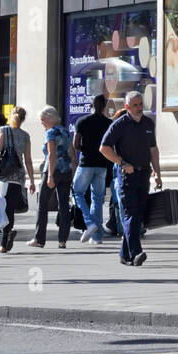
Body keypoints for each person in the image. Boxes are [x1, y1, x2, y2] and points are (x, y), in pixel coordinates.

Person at [99, 90, 162, 267]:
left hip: (144, 175)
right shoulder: (120, 125)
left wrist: (157, 173)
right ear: (127, 107)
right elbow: (104, 148)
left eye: (140, 104)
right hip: (127, 176)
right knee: (131, 214)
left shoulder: (148, 123)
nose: (139, 108)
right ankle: (136, 253)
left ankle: (124, 253)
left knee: (138, 215)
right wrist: (121, 162)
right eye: (134, 105)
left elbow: (153, 150)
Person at [0, 106, 35, 253]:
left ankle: (4, 239)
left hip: (2, 175)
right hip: (17, 177)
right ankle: (6, 236)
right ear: (23, 119)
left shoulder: (3, 131)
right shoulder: (26, 136)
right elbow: (28, 161)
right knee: (10, 209)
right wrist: (32, 180)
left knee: (1, 208)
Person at [29, 106, 74, 249]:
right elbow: (72, 153)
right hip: (66, 170)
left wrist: (50, 176)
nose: (41, 122)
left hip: (53, 170)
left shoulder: (50, 133)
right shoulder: (66, 131)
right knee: (64, 205)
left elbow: (52, 154)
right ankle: (63, 240)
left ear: (49, 119)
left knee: (42, 204)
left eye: (42, 119)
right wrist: (73, 171)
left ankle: (39, 239)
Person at [72, 94, 112, 245]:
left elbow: (76, 144)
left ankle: (89, 223)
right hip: (102, 164)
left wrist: (85, 149)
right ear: (105, 106)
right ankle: (97, 237)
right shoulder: (109, 123)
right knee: (97, 198)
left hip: (86, 163)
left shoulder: (82, 121)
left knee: (78, 192)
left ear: (92, 105)